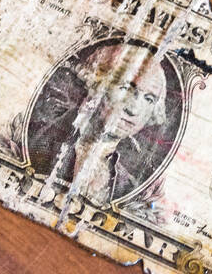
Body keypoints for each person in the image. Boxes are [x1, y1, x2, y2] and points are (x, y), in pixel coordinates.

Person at [31, 42, 172, 205]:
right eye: (126, 88)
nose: (133, 110)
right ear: (97, 84)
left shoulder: (129, 185)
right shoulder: (36, 138)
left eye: (149, 99)